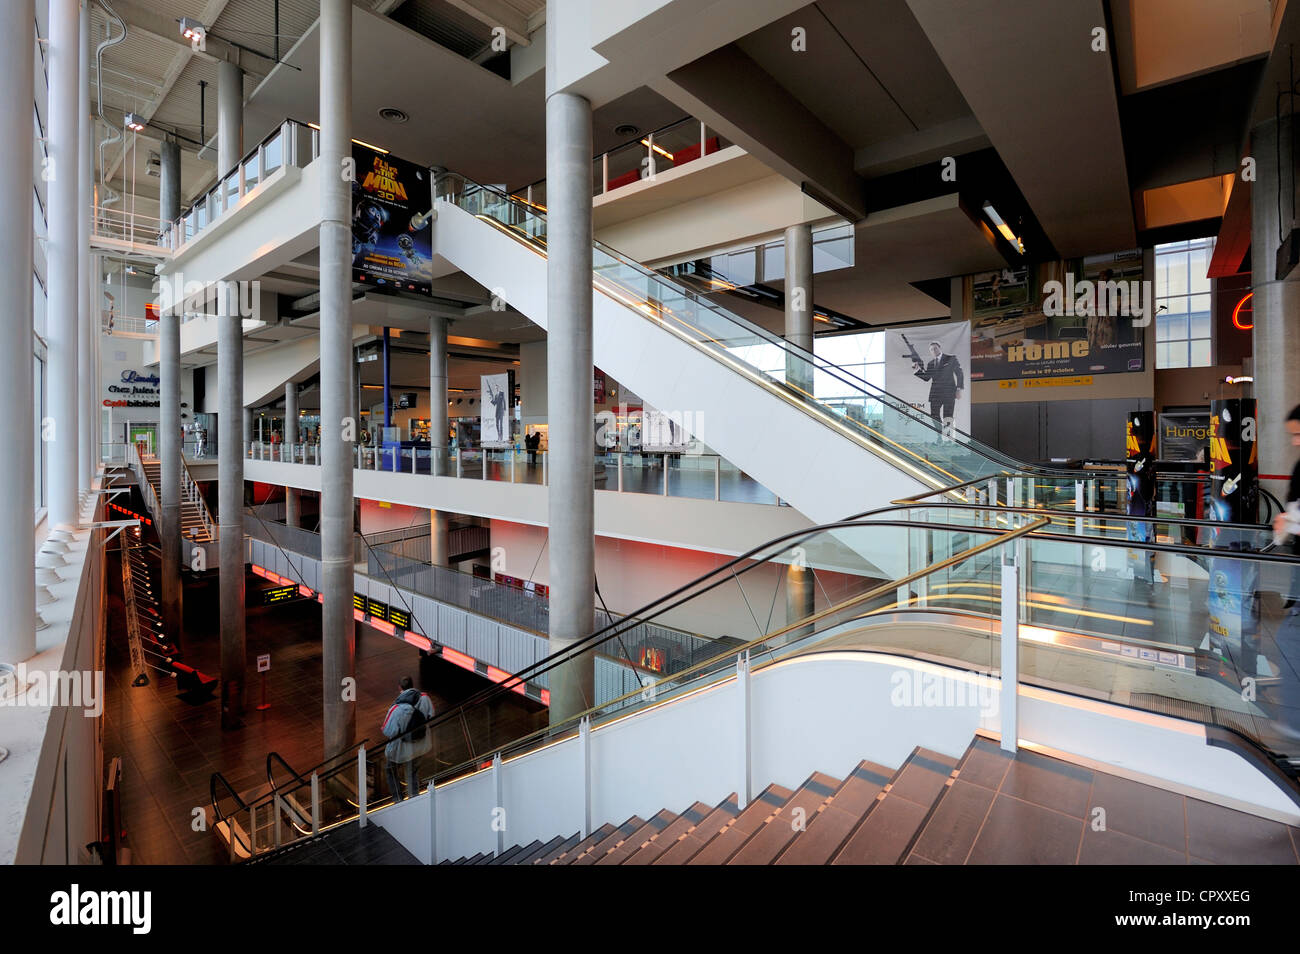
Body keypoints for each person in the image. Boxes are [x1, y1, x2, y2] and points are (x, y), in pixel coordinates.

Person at [381, 676, 434, 800]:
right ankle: (414, 796)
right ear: (412, 685)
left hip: (401, 750)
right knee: (412, 771)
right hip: (421, 745)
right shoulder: (425, 698)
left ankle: (398, 799)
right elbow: (431, 715)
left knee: (390, 770)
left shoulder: (396, 708)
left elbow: (388, 731)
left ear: (400, 688)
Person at [912, 341, 964, 439]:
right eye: (931, 349)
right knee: (934, 416)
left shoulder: (950, 358)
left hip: (949, 392)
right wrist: (917, 370)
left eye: (935, 348)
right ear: (930, 352)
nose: (934, 350)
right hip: (935, 393)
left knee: (947, 416)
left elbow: (959, 373)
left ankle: (947, 438)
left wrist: (959, 389)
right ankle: (939, 436)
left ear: (940, 348)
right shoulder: (931, 363)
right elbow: (927, 377)